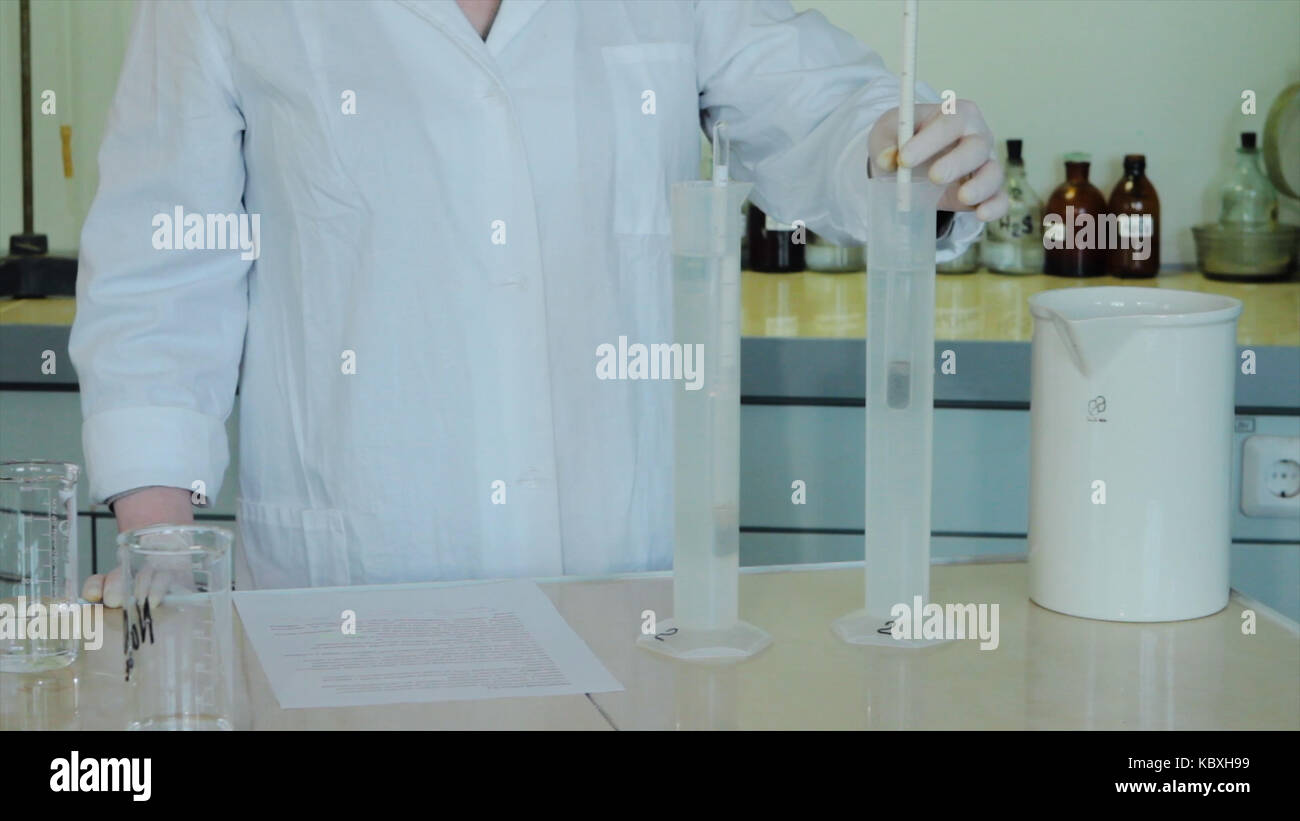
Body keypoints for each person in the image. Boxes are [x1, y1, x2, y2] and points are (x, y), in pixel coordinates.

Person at [74, 0, 1006, 606]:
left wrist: (902, 145)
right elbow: (163, 265)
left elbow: (816, 103)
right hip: (349, 585)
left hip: (620, 582)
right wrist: (163, 551)